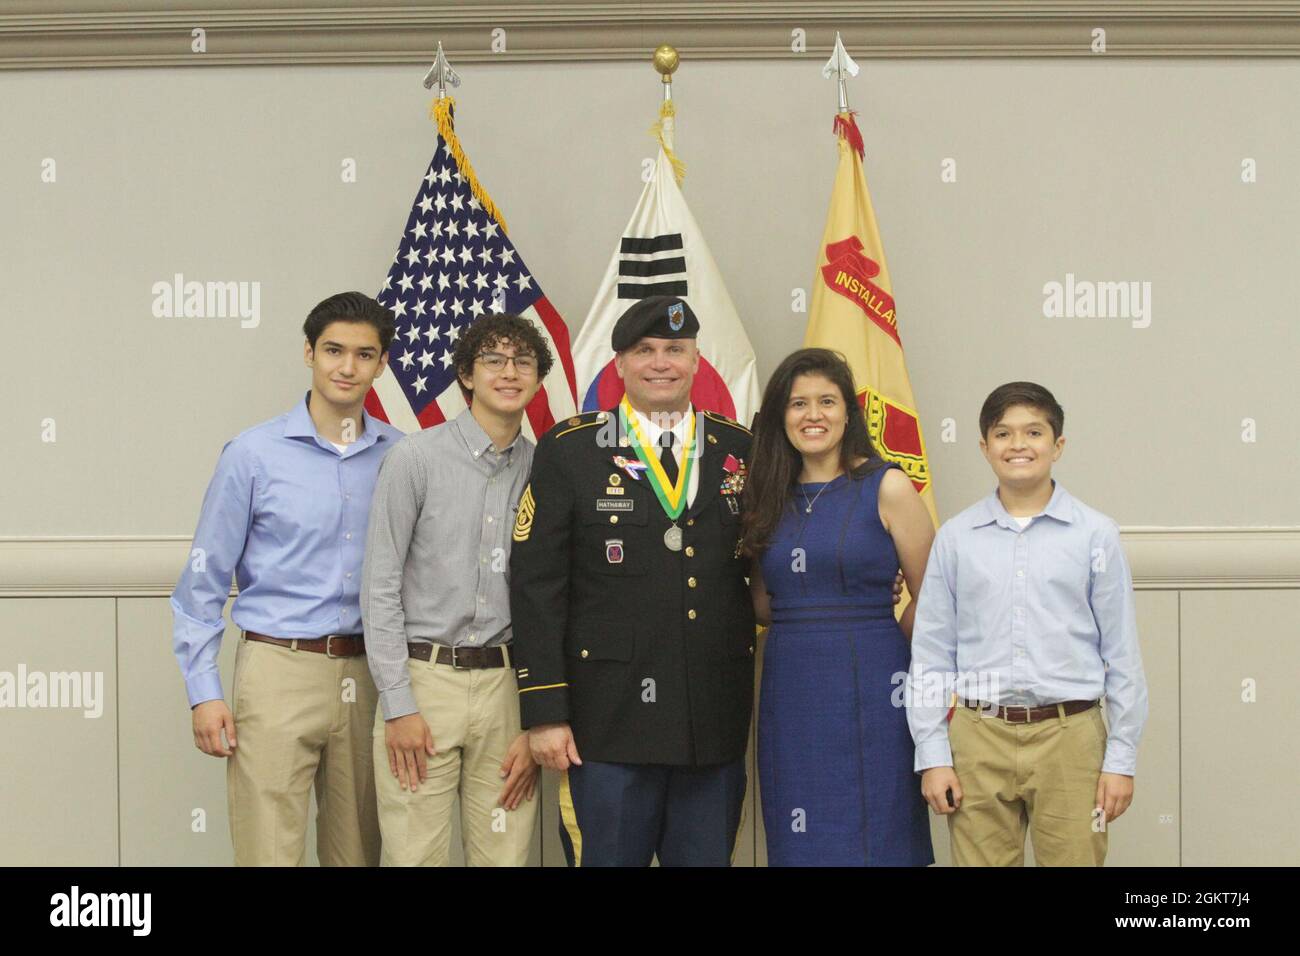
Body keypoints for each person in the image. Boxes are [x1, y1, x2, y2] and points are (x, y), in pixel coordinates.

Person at [509, 295, 755, 867]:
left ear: (697, 361)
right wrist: (545, 709)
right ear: (619, 364)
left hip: (709, 721)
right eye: (644, 350)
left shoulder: (738, 449)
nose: (661, 362)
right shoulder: (572, 450)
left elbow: (762, 560)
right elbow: (536, 583)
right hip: (608, 722)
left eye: (675, 349)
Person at [171, 291, 403, 866]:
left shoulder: (402, 456)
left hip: (372, 675)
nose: (348, 367)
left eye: (364, 354)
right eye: (333, 350)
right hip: (277, 670)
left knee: (359, 852)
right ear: (308, 353)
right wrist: (204, 692)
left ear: (382, 363)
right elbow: (202, 583)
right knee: (267, 851)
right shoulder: (252, 455)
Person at [906, 382, 1149, 866]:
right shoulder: (957, 538)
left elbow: (1122, 653)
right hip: (978, 735)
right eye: (1003, 433)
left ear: (1057, 446)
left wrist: (1120, 760)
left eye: (1034, 432)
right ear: (984, 447)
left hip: (1071, 738)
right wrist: (932, 754)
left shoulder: (1094, 533)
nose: (1018, 445)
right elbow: (932, 653)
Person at [361, 313, 549, 866]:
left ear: (539, 378)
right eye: (493, 360)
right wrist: (398, 706)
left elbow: (554, 597)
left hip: (507, 689)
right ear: (467, 374)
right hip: (424, 682)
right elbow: (380, 588)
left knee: (505, 854)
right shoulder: (414, 460)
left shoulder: (546, 470)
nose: (509, 372)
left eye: (523, 362)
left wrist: (534, 719)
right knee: (414, 855)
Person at [743, 348, 935, 866]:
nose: (813, 415)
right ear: (780, 415)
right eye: (798, 403)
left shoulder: (887, 485)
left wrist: (887, 634)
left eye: (827, 401)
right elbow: (763, 604)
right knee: (802, 834)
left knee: (879, 830)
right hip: (791, 685)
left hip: (877, 685)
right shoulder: (765, 494)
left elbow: (936, 600)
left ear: (849, 413)